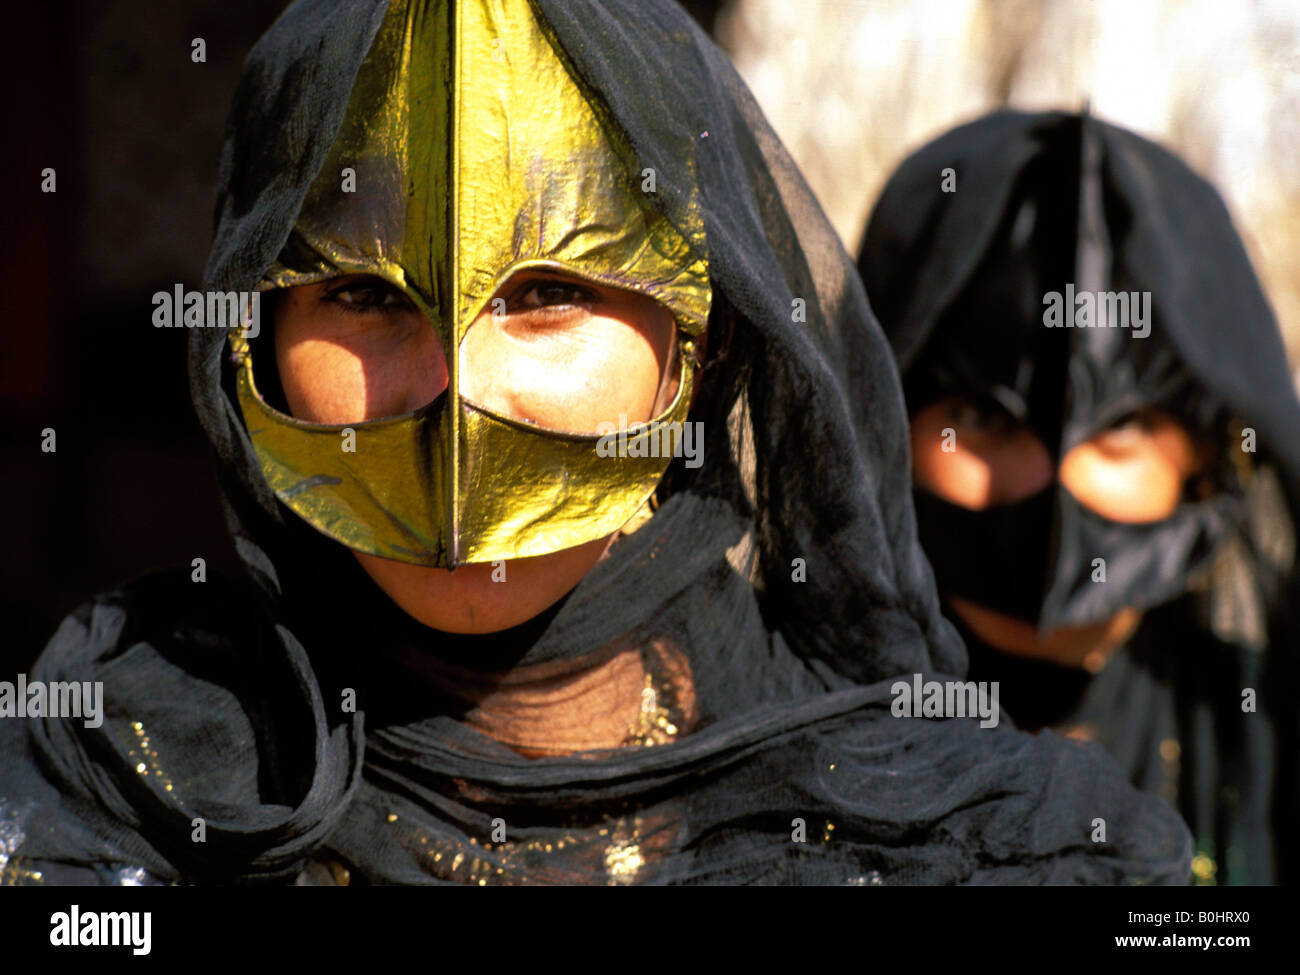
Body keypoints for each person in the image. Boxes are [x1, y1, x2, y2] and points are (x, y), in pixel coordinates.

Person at [0, 3, 1190, 886]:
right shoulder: (108, 772)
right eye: (363, 300)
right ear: (252, 340)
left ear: (697, 346)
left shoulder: (988, 840)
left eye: (547, 294)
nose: (457, 396)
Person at [858, 109, 1300, 884]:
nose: (1049, 506)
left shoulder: (1262, 731)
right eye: (981, 418)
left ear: (1202, 461)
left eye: (1123, 428)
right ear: (884, 420)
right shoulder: (774, 731)